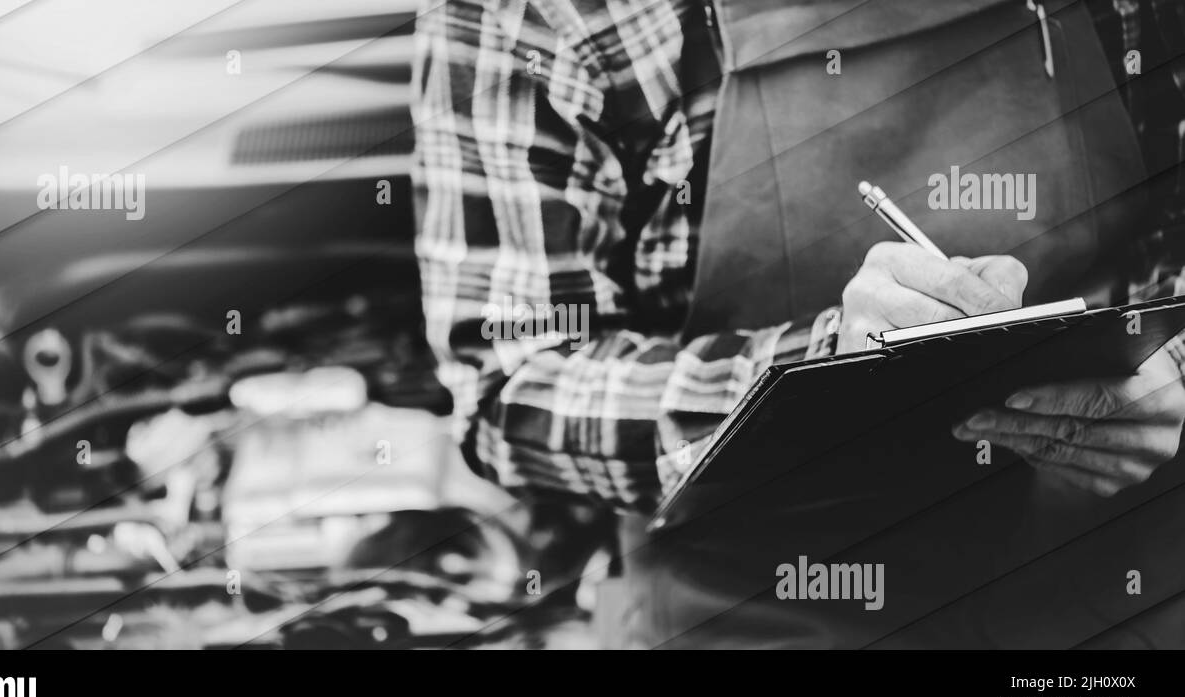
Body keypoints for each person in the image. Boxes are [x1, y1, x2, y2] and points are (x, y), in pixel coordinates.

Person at [411, 0, 1185, 646]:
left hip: (1106, 568)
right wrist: (824, 370)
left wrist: (1171, 366)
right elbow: (513, 376)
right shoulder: (552, 15)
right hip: (765, 600)